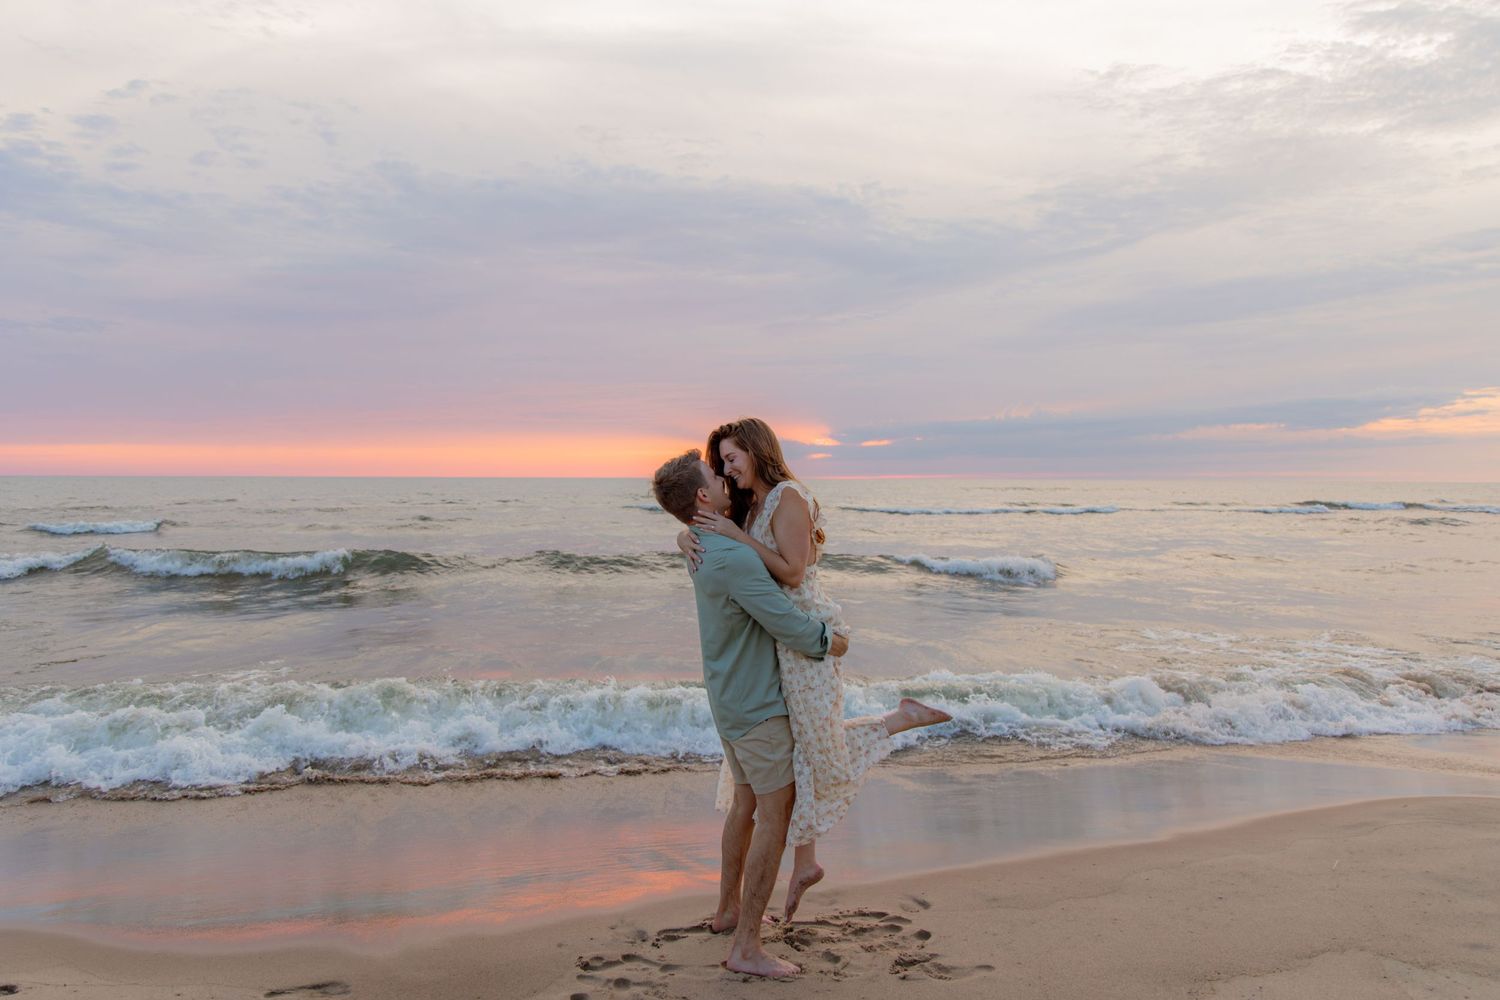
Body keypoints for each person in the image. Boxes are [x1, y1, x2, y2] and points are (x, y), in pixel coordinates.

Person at [678, 418, 951, 921]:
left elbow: (793, 571)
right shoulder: (746, 502)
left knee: (817, 747)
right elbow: (703, 521)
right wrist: (685, 538)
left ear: (758, 451)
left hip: (805, 630)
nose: (725, 468)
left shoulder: (787, 497)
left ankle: (894, 724)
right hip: (778, 638)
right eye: (720, 462)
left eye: (732, 458)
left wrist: (738, 537)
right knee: (804, 746)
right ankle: (805, 860)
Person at [651, 449, 846, 979]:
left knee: (744, 804)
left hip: (726, 700)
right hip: (757, 707)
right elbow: (786, 622)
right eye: (715, 475)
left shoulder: (703, 546)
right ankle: (747, 946)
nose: (722, 477)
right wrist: (833, 641)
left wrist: (682, 533)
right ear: (701, 497)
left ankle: (727, 910)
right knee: (775, 815)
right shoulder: (731, 557)